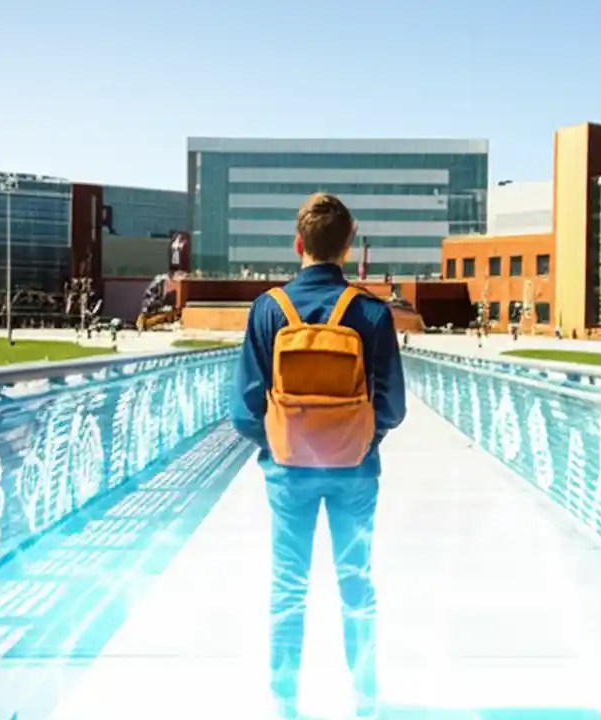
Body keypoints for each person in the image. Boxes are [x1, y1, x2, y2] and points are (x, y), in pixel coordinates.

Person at [232, 193, 407, 720]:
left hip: (288, 474)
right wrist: (356, 437)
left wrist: (285, 439)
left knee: (288, 586)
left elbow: (243, 413)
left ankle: (286, 707)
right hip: (355, 471)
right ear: (348, 248)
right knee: (357, 583)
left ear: (298, 244)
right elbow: (393, 408)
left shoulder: (268, 310)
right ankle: (366, 703)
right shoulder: (372, 313)